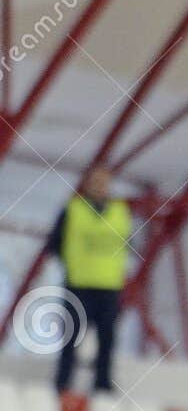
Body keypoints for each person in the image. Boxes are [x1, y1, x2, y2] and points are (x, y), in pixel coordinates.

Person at [47, 165, 131, 396]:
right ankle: (63, 384)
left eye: (103, 182)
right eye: (95, 182)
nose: (99, 186)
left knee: (107, 340)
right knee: (71, 337)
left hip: (109, 287)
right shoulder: (73, 210)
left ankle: (102, 385)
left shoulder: (120, 212)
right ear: (86, 184)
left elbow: (129, 246)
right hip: (79, 284)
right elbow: (54, 244)